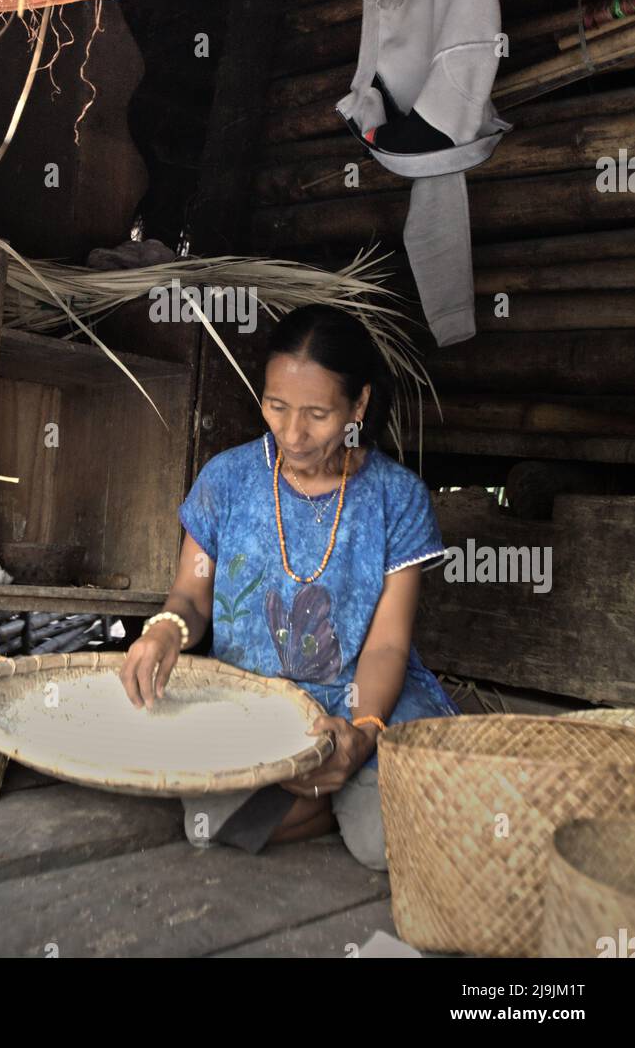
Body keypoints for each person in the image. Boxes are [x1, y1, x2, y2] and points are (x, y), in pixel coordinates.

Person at [119, 304, 459, 865]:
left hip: (362, 700)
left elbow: (389, 645)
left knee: (382, 844)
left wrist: (362, 735)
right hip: (256, 706)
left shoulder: (396, 500)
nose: (292, 434)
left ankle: (343, 782)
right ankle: (326, 799)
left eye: (317, 415)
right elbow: (189, 598)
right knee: (210, 819)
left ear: (359, 404)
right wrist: (165, 631)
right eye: (276, 407)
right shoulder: (227, 479)